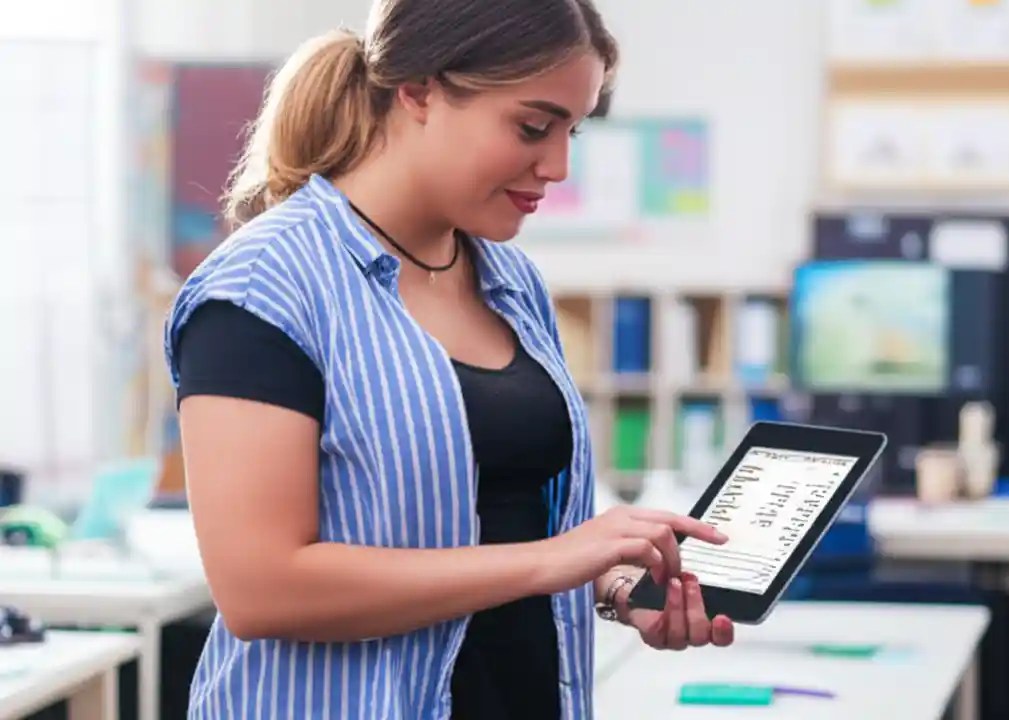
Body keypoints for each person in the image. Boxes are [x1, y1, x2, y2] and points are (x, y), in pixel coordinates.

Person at [163, 1, 736, 718]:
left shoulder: (510, 281)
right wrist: (550, 561)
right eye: (532, 127)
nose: (557, 166)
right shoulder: (263, 287)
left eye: (573, 130)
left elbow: (517, 526)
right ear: (419, 91)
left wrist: (620, 586)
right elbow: (260, 589)